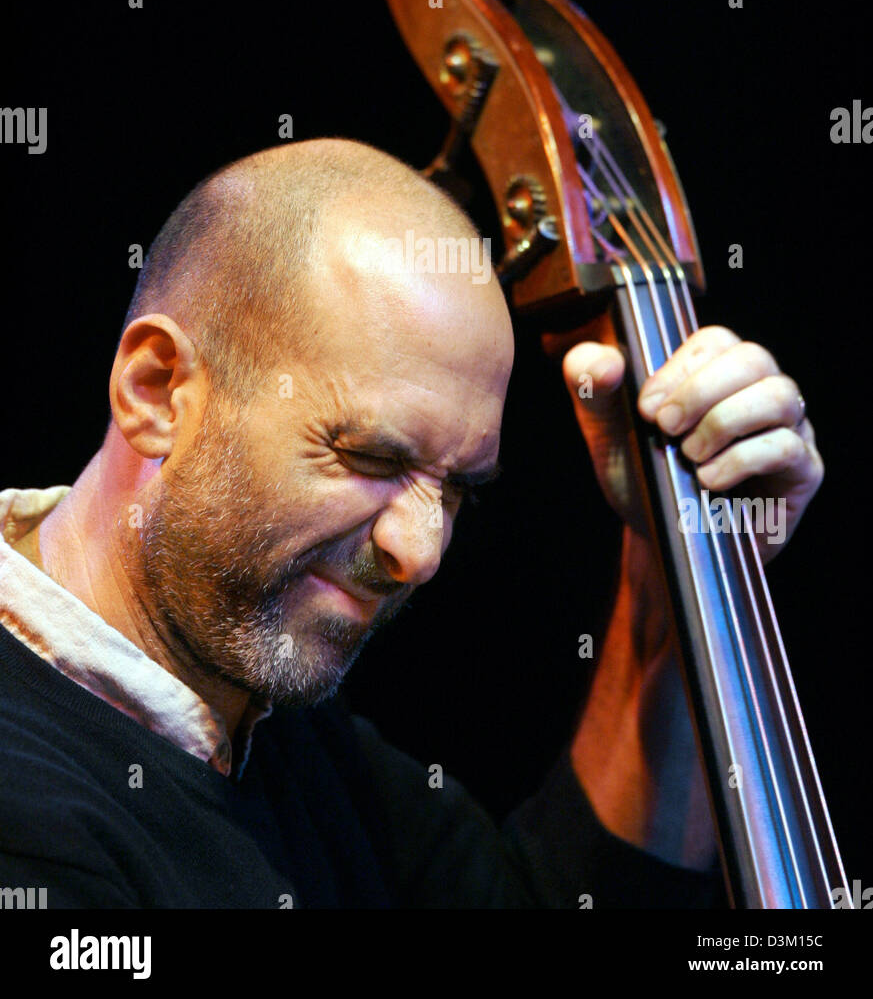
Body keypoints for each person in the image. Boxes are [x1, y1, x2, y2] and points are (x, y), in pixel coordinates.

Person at [0, 138, 822, 908]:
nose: (420, 552)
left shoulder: (264, 710)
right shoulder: (33, 827)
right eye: (370, 459)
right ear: (155, 390)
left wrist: (671, 569)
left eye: (457, 488)